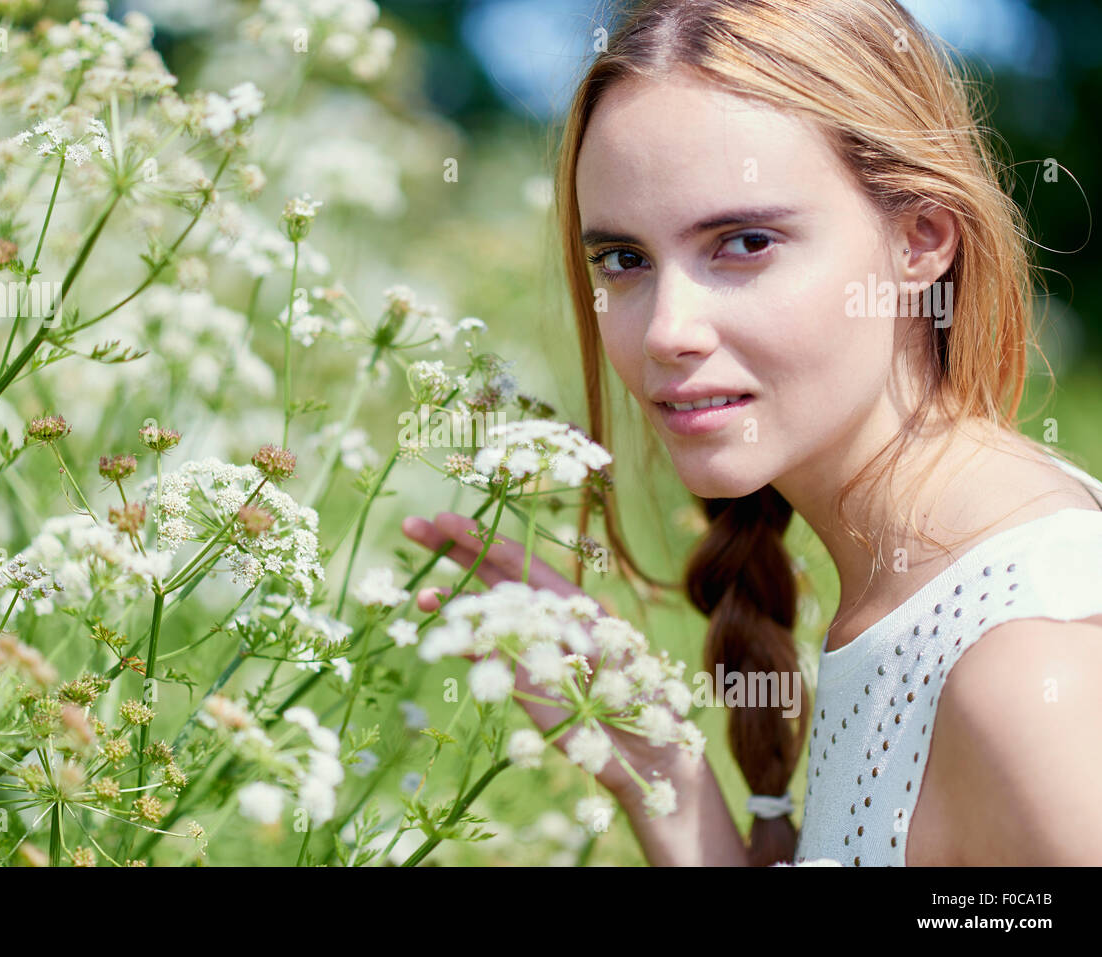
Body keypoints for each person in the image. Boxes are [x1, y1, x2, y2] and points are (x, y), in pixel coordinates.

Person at [401, 0, 1102, 866]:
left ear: (921, 240)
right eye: (624, 260)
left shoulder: (1031, 667)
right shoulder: (906, 598)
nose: (666, 332)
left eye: (745, 241)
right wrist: (658, 770)